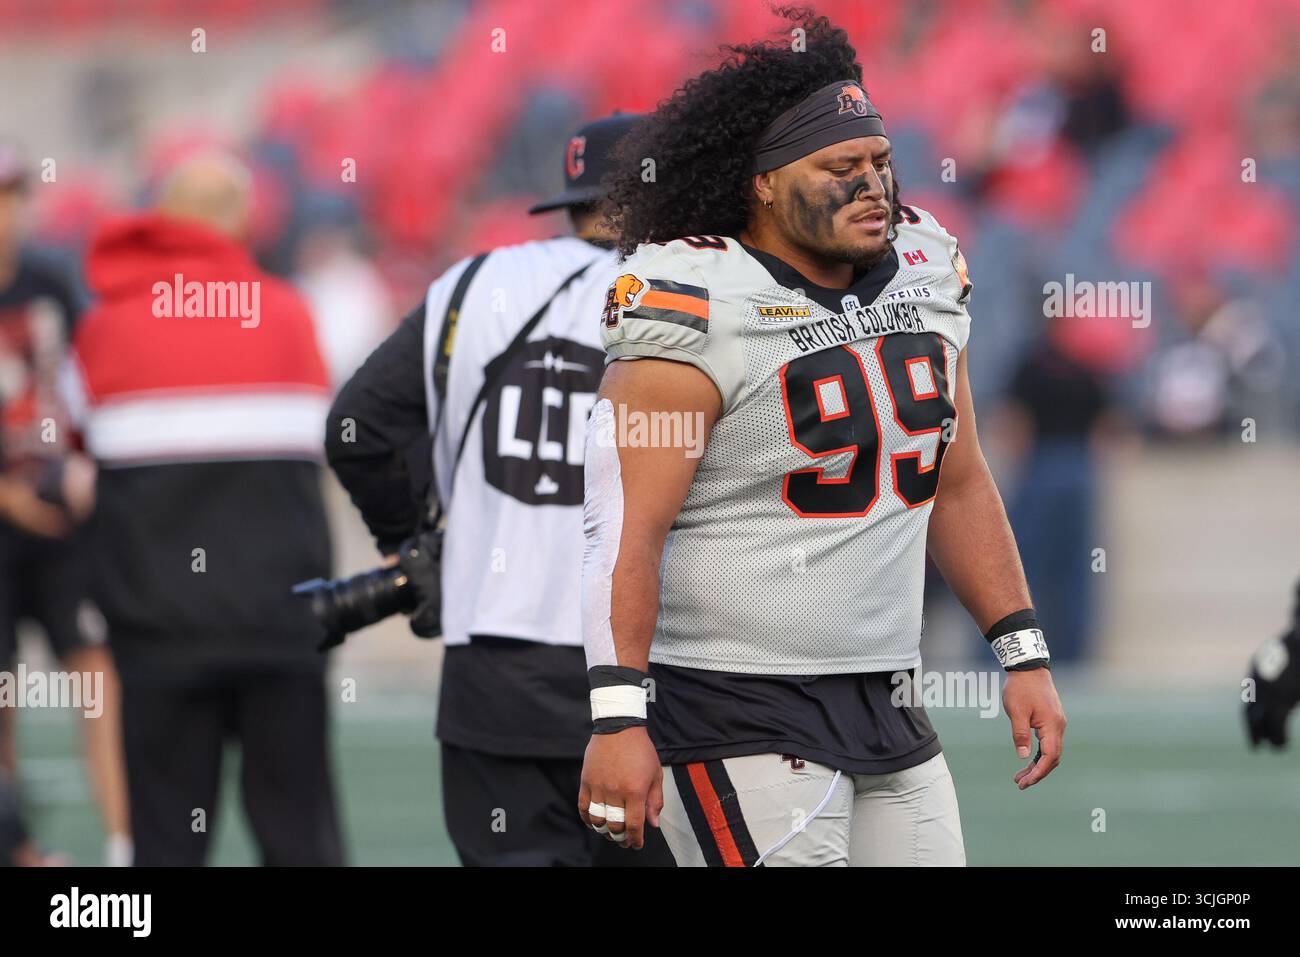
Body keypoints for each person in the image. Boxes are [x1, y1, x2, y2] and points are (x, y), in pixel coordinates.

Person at [578, 10, 1067, 866]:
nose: (872, 186)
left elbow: (955, 480)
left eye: (880, 163)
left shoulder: (924, 266)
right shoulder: (694, 293)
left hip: (886, 689)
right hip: (731, 700)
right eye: (840, 168)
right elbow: (625, 524)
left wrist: (1020, 650)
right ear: (762, 184)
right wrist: (618, 713)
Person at [326, 114, 673, 866]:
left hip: (495, 664)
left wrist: (410, 541)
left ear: (573, 200)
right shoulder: (686, 290)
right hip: (645, 663)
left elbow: (356, 426)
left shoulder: (473, 281)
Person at [62, 150, 343, 866]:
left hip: (159, 635)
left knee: (165, 843)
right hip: (283, 627)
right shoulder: (290, 314)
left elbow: (72, 465)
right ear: (242, 221)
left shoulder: (103, 328)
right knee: (299, 836)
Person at [0, 139, 130, 866]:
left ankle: (123, 843)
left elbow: (93, 386)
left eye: (10, 195)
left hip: (63, 518)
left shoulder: (52, 282)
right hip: (6, 517)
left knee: (98, 673)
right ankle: (14, 846)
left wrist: (82, 468)